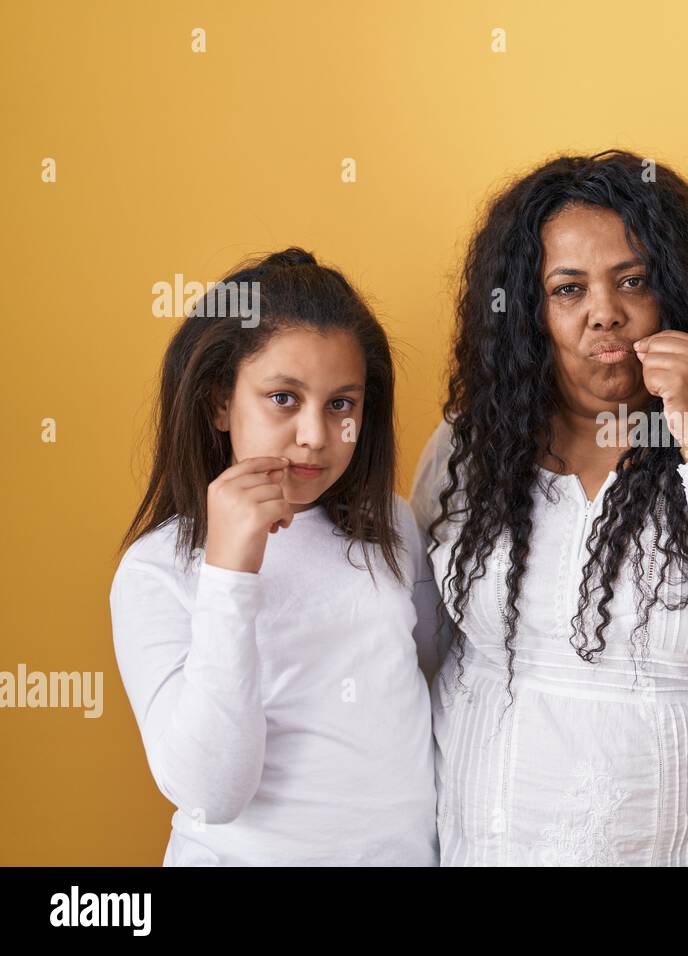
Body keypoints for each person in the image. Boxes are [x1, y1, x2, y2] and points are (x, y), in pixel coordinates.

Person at [411, 149, 688, 866]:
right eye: (567, 289)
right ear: (528, 311)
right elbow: (423, 648)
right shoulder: (471, 448)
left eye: (633, 281)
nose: (604, 315)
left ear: (676, 292)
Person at [110, 248, 440, 865]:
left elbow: (439, 681)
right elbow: (212, 792)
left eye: (342, 404)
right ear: (218, 404)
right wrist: (229, 571)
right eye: (283, 398)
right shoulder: (158, 570)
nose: (315, 434)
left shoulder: (392, 527)